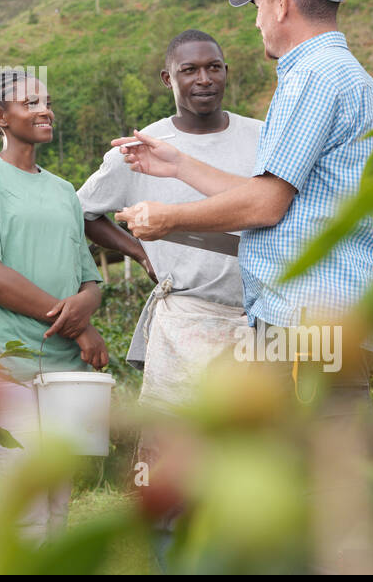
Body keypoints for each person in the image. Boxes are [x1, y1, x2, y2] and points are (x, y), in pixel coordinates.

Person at [114, 0, 373, 407]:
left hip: (307, 319)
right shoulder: (342, 74)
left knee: (311, 467)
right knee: (317, 458)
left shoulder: (312, 77)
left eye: (258, 5)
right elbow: (277, 192)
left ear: (280, 2)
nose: (257, 20)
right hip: (324, 318)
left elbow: (265, 206)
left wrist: (168, 219)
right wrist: (179, 164)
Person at [0, 68, 109, 542]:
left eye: (47, 101)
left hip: (64, 372)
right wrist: (78, 327)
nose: (45, 110)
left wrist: (85, 309)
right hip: (6, 363)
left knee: (57, 503)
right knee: (24, 509)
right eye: (30, 103)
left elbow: (90, 279)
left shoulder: (62, 189)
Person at [77, 30, 262, 408]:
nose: (204, 79)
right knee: (173, 448)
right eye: (190, 70)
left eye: (213, 68)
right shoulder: (142, 150)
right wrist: (139, 252)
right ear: (168, 78)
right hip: (185, 320)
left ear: (226, 71)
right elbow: (81, 213)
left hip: (261, 322)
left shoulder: (263, 137)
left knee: (251, 451)